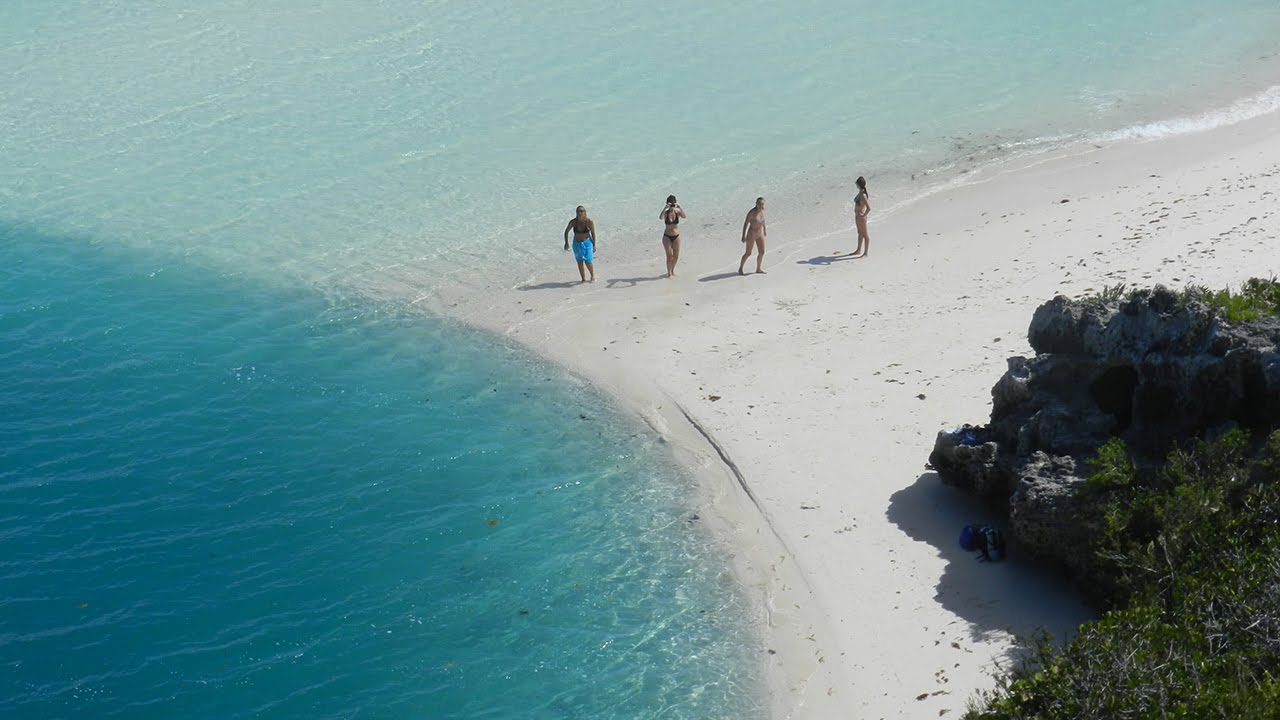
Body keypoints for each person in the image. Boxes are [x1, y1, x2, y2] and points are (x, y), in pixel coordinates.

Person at [563, 205, 597, 283]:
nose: (580, 213)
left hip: (587, 243)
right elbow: (566, 232)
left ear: (585, 213)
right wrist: (566, 243)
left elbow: (593, 233)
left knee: (588, 261)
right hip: (577, 244)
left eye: (582, 211)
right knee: (580, 261)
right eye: (578, 211)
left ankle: (592, 275)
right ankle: (583, 279)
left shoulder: (589, 221)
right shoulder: (573, 222)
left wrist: (594, 245)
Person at [659, 194, 686, 278]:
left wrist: (679, 207)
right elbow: (660, 217)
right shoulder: (666, 213)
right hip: (667, 237)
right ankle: (669, 273)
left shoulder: (677, 212)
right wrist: (665, 208)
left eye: (673, 204)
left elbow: (684, 216)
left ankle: (672, 270)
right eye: (670, 204)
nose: (672, 206)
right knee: (669, 256)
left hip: (676, 236)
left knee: (676, 256)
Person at [739, 196, 766, 275]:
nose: (761, 206)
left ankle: (758, 269)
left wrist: (765, 230)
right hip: (752, 234)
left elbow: (763, 221)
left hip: (760, 233)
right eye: (759, 204)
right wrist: (743, 235)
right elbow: (746, 224)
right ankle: (740, 268)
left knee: (762, 252)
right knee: (748, 253)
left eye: (762, 204)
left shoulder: (763, 210)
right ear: (756, 204)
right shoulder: (751, 213)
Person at [853, 176, 871, 257]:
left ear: (859, 184)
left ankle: (866, 253)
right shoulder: (860, 193)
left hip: (861, 217)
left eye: (856, 183)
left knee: (865, 234)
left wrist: (863, 215)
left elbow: (869, 208)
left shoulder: (863, 195)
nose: (855, 184)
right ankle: (858, 250)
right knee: (859, 233)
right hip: (857, 216)